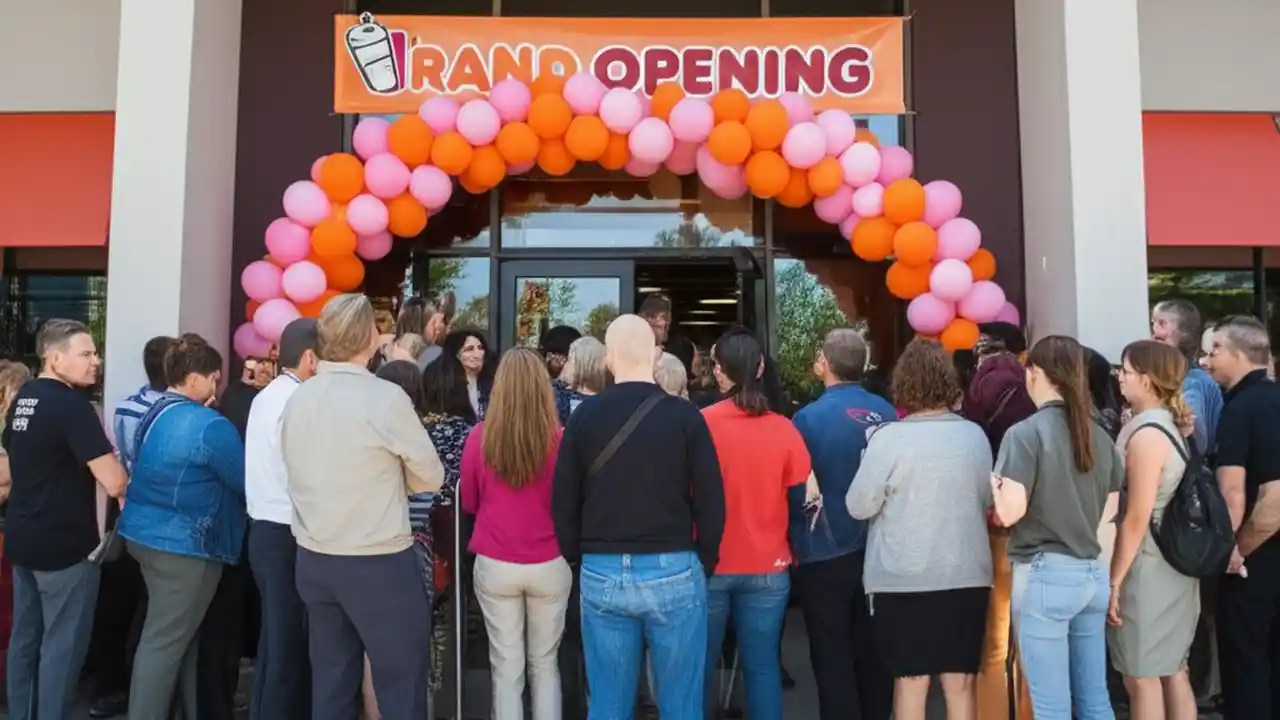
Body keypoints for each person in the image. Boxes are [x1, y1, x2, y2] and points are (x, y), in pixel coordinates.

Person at [552, 314, 725, 718]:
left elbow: (563, 498)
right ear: (655, 353)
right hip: (674, 565)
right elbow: (711, 498)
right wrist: (707, 559)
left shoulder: (584, 417)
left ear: (609, 359)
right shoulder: (685, 417)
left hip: (602, 567)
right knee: (681, 705)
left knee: (609, 704)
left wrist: (577, 555)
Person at [281, 293, 445, 720]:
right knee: (400, 681)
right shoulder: (385, 398)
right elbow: (431, 475)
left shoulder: (298, 398)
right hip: (377, 560)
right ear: (368, 336)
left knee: (332, 682)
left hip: (315, 556)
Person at [847, 338, 994, 720]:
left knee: (910, 683)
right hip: (964, 574)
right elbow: (987, 499)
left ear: (904, 385)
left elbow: (858, 505)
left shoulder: (889, 439)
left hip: (901, 578)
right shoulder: (974, 436)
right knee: (959, 684)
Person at [990, 335, 1123, 720]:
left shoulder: (1024, 433)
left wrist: (993, 486)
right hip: (1091, 574)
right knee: (1095, 700)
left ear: (1035, 373)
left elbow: (1010, 513)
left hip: (1045, 573)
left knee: (1051, 707)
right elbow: (1107, 522)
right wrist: (1109, 582)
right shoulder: (1100, 436)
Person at [3, 319, 127, 720]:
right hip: (65, 548)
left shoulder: (24, 398)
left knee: (25, 641)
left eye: (95, 353)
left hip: (24, 539)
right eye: (86, 354)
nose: (97, 361)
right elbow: (113, 480)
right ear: (55, 358)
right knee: (61, 647)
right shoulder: (72, 407)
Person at [118, 334, 246, 720]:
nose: (217, 384)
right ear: (195, 379)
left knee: (181, 636)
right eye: (214, 377)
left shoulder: (153, 411)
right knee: (165, 642)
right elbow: (244, 480)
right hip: (185, 545)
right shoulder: (210, 425)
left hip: (143, 535)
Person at [701, 331, 810, 720]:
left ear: (719, 372)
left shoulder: (702, 425)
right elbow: (801, 501)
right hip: (769, 565)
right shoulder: (784, 428)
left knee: (698, 669)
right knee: (762, 668)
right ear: (761, 368)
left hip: (711, 564)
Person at [789, 328, 896, 720]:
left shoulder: (807, 418)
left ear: (826, 364)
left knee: (831, 654)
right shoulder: (889, 412)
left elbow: (797, 485)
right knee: (874, 651)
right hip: (881, 548)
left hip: (825, 548)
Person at [461, 348, 569, 720]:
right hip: (550, 560)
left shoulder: (479, 437)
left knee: (506, 668)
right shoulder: (561, 439)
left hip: (496, 559)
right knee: (545, 664)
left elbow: (470, 503)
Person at [1106, 340, 1198, 719]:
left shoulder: (1147, 436)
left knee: (1141, 677)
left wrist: (1114, 581)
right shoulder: (1169, 425)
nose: (1119, 379)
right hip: (1171, 564)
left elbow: (1136, 516)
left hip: (1146, 566)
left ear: (1145, 380)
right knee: (1174, 669)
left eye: (1125, 371)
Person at [88, 336, 174, 719]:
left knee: (120, 606)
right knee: (152, 611)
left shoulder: (126, 406)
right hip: (159, 519)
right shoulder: (172, 413)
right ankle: (145, 691)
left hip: (127, 515)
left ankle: (113, 688)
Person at [1204, 315, 1280, 718]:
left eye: (1214, 349)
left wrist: (1234, 552)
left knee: (1246, 667)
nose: (1207, 359)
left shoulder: (1239, 409)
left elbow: (1250, 496)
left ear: (1236, 353)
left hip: (1255, 564)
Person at [960, 321, 1036, 720]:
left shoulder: (975, 387)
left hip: (993, 522)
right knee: (1029, 642)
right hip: (1034, 525)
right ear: (1022, 353)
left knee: (993, 640)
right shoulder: (1028, 391)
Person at [245, 318, 318, 720]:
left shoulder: (268, 395)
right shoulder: (297, 400)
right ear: (310, 357)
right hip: (286, 530)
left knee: (275, 642)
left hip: (264, 528)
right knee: (288, 646)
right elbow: (304, 468)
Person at [1152, 299, 1224, 456]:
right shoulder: (1190, 377)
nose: (1154, 329)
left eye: (1161, 323)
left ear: (1184, 333)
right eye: (1153, 323)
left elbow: (1197, 441)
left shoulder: (1191, 382)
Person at [441, 328, 496, 420]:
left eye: (480, 348)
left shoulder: (493, 383)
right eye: (469, 349)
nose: (477, 354)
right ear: (456, 354)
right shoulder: (445, 386)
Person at [397, 294, 455, 370]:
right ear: (420, 325)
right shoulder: (435, 356)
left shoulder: (390, 349)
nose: (436, 330)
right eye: (433, 323)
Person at [560, 336, 609, 419]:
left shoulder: (560, 400)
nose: (563, 364)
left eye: (569, 359)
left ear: (581, 365)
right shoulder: (609, 403)